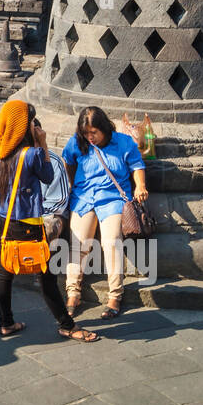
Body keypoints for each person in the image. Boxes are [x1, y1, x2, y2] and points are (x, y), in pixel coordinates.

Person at [0, 101, 98, 341]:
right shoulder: (32, 154)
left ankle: (6, 323)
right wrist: (42, 144)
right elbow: (48, 175)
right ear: (24, 126)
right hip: (27, 222)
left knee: (5, 271)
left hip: (2, 217)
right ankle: (67, 325)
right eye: (31, 121)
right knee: (46, 275)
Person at [0, 104, 71, 293]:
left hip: (44, 216)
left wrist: (31, 213)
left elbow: (58, 201)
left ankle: (40, 272)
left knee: (49, 227)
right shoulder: (5, 158)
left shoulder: (52, 161)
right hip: (11, 216)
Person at [62, 105, 148, 320]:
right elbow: (68, 164)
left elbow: (137, 165)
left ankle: (115, 295)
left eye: (94, 133)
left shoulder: (124, 142)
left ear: (104, 129)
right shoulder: (77, 142)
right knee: (78, 242)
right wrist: (73, 187)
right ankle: (73, 292)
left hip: (112, 198)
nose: (90, 137)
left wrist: (140, 186)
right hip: (83, 198)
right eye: (86, 133)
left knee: (111, 242)